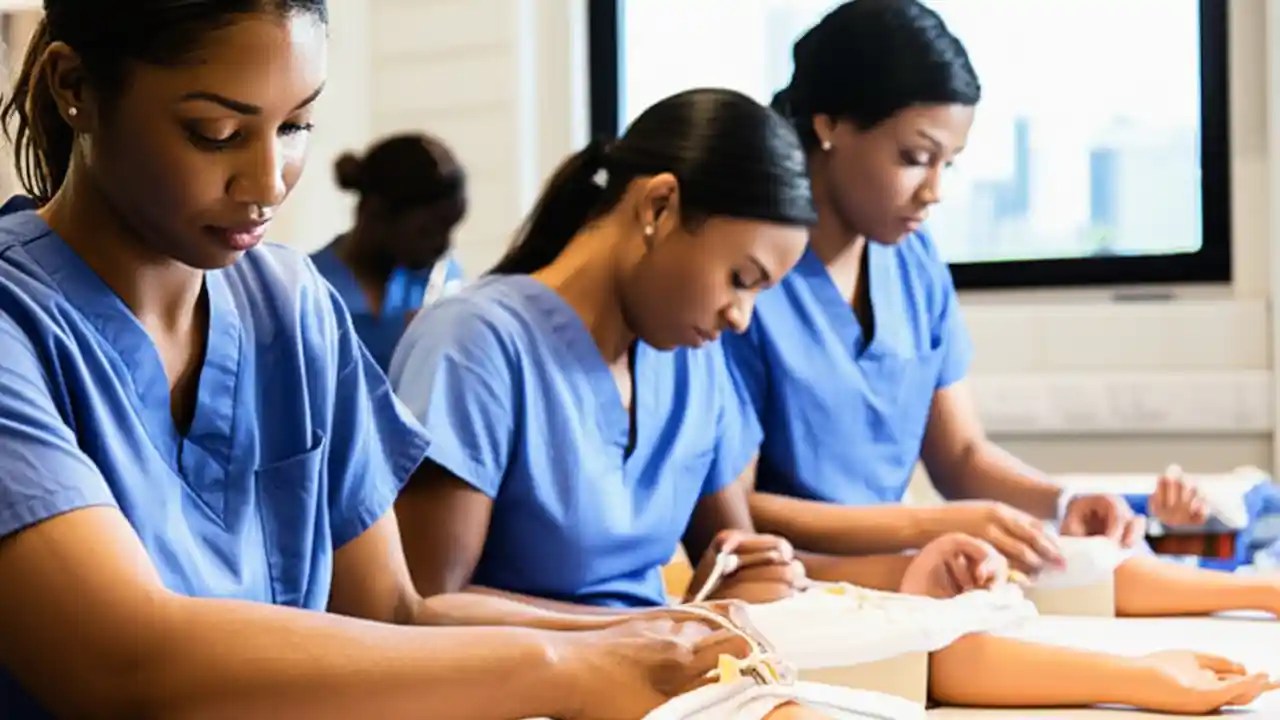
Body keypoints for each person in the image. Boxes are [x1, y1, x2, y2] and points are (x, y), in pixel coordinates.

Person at [388, 87, 1275, 716]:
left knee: (927, 631)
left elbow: (736, 573)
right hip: (533, 683)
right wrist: (655, 624)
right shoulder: (477, 345)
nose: (738, 318)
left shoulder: (684, 361)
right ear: (658, 207)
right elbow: (419, 608)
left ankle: (1142, 675)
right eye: (738, 280)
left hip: (678, 663)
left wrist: (902, 580)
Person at [0, 3, 760, 718]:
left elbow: (392, 613)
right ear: (76, 89)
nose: (268, 184)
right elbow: (124, 663)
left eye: (296, 125)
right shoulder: (20, 322)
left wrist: (663, 637)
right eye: (215, 131)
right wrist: (566, 671)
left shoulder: (291, 308)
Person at [722, 0, 1248, 590]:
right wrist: (927, 523)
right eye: (915, 158)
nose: (935, 191)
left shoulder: (913, 263)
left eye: (950, 163)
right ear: (829, 126)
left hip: (906, 578)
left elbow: (962, 456)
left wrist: (1062, 500)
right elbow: (736, 508)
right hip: (789, 585)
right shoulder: (747, 279)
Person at [312, 132, 468, 372]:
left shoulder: (441, 281)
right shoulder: (312, 287)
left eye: (450, 228)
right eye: (427, 231)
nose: (444, 245)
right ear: (376, 212)